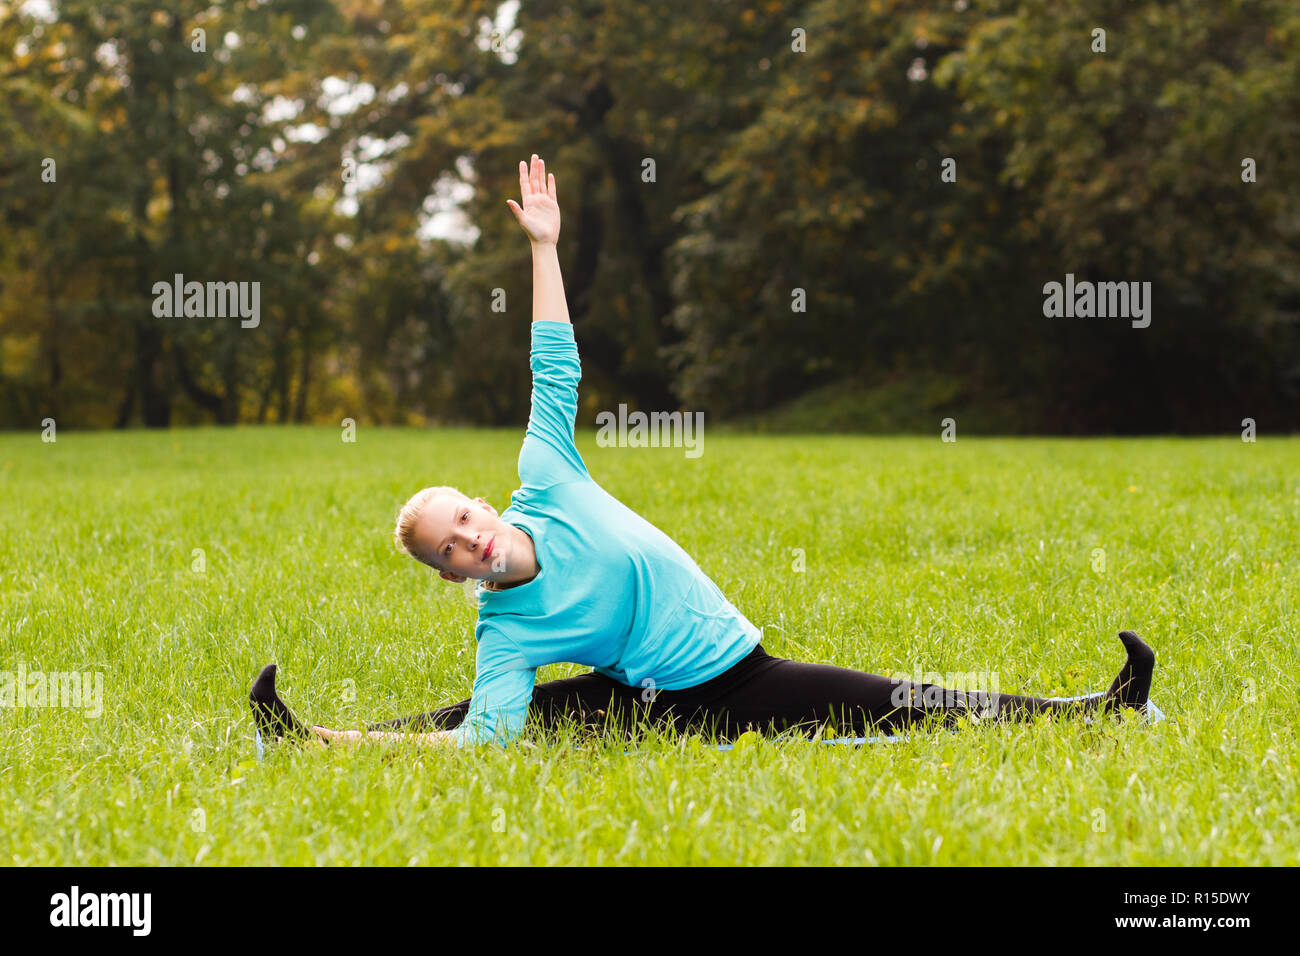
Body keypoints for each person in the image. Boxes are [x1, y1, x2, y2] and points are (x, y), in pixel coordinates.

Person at [249, 154, 1156, 752]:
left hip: (736, 673)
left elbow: (553, 362)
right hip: (641, 699)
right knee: (487, 721)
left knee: (901, 701)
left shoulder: (546, 475)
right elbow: (483, 745)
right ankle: (317, 739)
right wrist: (355, 747)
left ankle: (1103, 708)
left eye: (460, 520)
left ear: (484, 506)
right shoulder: (505, 629)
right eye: (445, 551)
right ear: (451, 577)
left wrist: (546, 249)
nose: (464, 542)